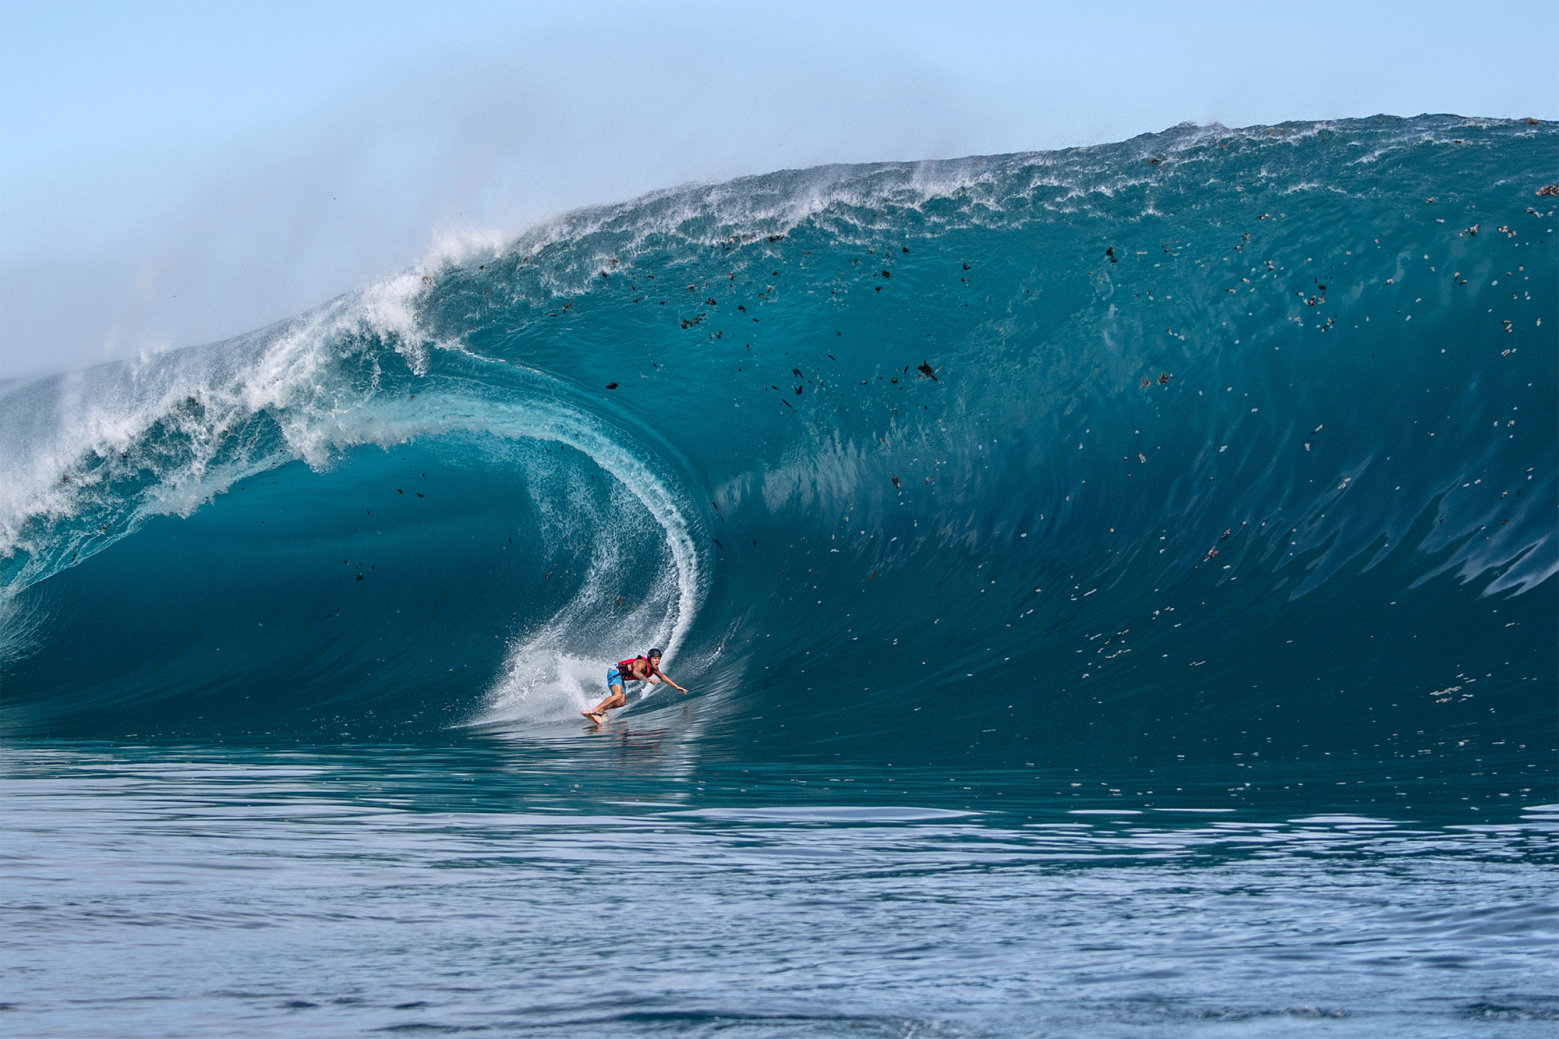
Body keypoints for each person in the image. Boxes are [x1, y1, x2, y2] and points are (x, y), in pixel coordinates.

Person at [582, 648, 687, 726]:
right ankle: (594, 710)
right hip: (615, 671)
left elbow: (663, 677)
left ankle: (601, 711)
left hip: (620, 677)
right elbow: (636, 672)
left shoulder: (653, 668)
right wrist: (648, 680)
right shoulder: (641, 663)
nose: (657, 661)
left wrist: (676, 686)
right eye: (655, 658)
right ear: (650, 658)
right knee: (617, 695)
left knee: (621, 702)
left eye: (659, 658)